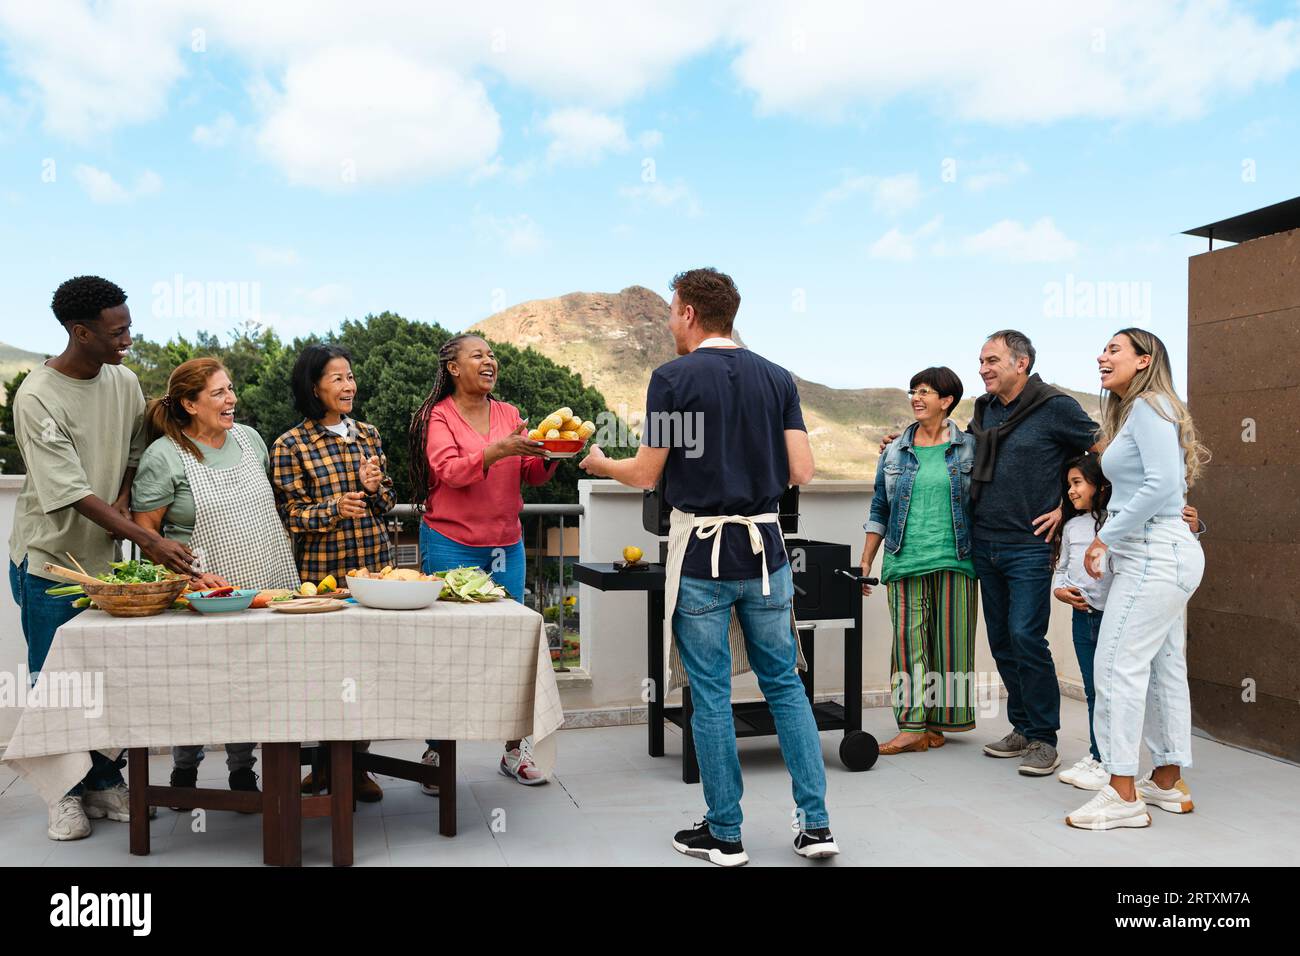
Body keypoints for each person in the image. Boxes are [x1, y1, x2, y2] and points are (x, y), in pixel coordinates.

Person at [581, 268, 838, 866]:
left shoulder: (672, 379)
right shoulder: (776, 378)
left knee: (712, 694)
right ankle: (816, 827)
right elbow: (802, 471)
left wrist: (598, 464)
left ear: (691, 314)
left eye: (673, 311)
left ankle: (725, 834)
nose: (671, 321)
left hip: (702, 555)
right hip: (769, 554)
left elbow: (646, 473)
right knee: (785, 687)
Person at [8, 275, 192, 841]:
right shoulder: (37, 396)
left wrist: (125, 499)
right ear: (79, 331)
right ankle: (61, 796)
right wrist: (148, 539)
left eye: (129, 326)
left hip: (107, 566)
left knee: (104, 681)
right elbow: (69, 492)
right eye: (117, 332)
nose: (128, 339)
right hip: (50, 562)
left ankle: (103, 781)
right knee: (56, 685)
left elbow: (136, 451)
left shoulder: (125, 382)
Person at [131, 358, 300, 804]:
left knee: (256, 683)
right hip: (203, 592)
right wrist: (188, 578)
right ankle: (184, 771)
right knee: (201, 685)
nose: (232, 399)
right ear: (189, 403)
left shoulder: (251, 440)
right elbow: (147, 534)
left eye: (231, 389)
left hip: (267, 581)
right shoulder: (164, 455)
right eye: (220, 393)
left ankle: (243, 772)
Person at [1066, 329, 1209, 831]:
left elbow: (1163, 485)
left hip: (1152, 552)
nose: (1101, 356)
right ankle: (1166, 781)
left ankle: (1122, 790)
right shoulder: (1150, 409)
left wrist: (1107, 537)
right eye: (1102, 348)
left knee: (1114, 667)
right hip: (1167, 552)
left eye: (1114, 349)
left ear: (1144, 360)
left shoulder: (1149, 405)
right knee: (1165, 665)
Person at [408, 333, 560, 789]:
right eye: (478, 355)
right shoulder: (437, 416)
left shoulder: (509, 414)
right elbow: (449, 472)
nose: (489, 360)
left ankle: (515, 750)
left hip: (505, 546)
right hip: (450, 544)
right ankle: (437, 750)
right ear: (453, 368)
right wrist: (499, 450)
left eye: (492, 354)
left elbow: (529, 472)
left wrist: (550, 454)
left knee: (512, 652)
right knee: (447, 652)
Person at [271, 343, 395, 802]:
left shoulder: (369, 434)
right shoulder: (290, 444)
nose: (350, 385)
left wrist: (373, 486)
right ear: (314, 387)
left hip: (376, 572)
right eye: (338, 378)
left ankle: (355, 765)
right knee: (324, 671)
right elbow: (291, 515)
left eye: (350, 376)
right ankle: (325, 764)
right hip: (322, 577)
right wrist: (335, 508)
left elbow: (385, 504)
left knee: (367, 668)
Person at [860, 367, 979, 754]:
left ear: (947, 401)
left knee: (950, 647)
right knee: (907, 644)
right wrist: (866, 561)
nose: (916, 397)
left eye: (925, 391)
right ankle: (911, 725)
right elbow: (880, 506)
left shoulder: (970, 447)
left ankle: (937, 725)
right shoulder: (894, 450)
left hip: (956, 559)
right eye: (914, 390)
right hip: (903, 559)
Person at [1050, 453, 1112, 790]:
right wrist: (1060, 592)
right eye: (1069, 484)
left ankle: (1110, 761)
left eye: (1077, 483)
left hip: (1111, 618)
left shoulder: (1115, 524)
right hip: (1081, 619)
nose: (1071, 491)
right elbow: (1061, 572)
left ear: (1100, 486)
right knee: (1092, 690)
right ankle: (1098, 755)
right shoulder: (1073, 526)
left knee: (1108, 691)